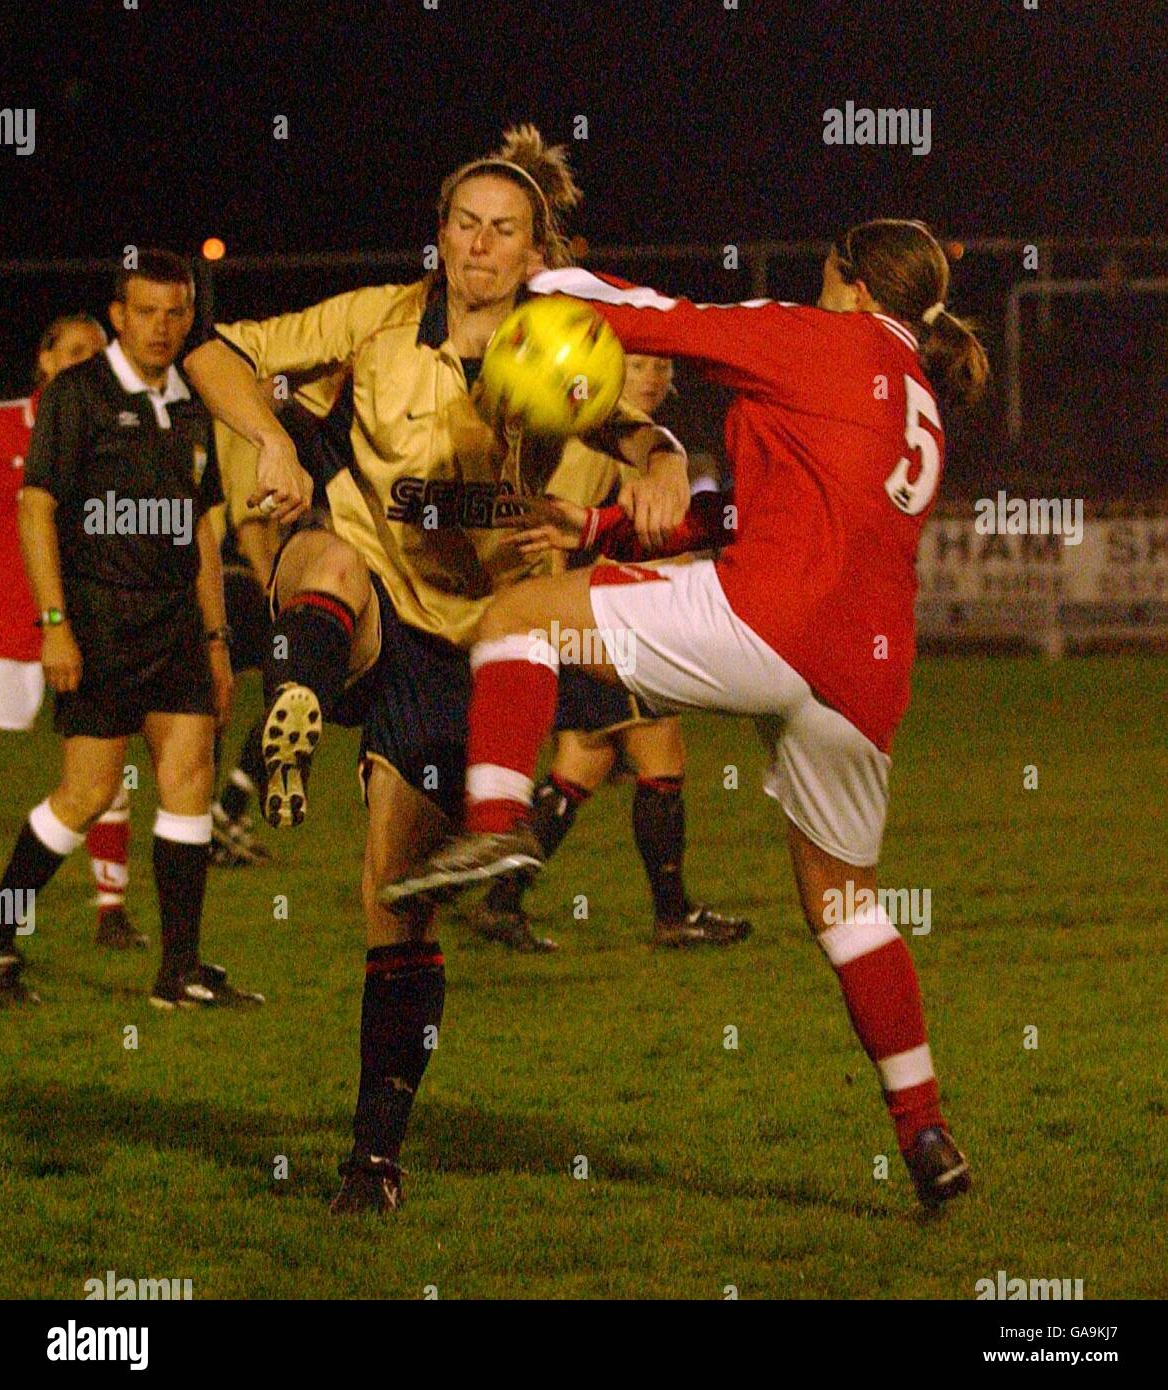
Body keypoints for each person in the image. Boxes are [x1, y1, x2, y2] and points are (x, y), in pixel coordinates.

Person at [382, 219, 990, 1209]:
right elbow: (768, 513)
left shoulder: (823, 336)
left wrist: (549, 278)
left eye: (823, 269)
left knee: (518, 617)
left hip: (767, 623)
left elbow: (659, 320)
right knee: (846, 905)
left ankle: (496, 828)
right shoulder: (915, 391)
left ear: (848, 280)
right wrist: (606, 525)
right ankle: (924, 1131)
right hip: (864, 679)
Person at [184, 125, 690, 1212]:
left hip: (484, 649)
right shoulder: (377, 317)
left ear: (534, 248)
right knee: (325, 547)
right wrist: (272, 441)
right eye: (464, 222)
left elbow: (643, 434)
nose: (478, 243)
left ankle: (374, 1151)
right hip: (377, 609)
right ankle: (303, 699)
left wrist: (664, 466)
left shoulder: (560, 346)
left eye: (503, 230)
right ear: (442, 233)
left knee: (394, 904)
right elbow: (212, 348)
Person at [0, 251, 263, 1010]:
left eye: (176, 313)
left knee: (188, 783)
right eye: (146, 312)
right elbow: (35, 509)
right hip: (100, 620)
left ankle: (179, 970)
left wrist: (216, 639)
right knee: (86, 793)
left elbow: (201, 529)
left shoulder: (192, 402)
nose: (161, 327)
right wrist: (55, 625)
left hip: (176, 624)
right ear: (118, 314)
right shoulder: (78, 395)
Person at [479, 353, 751, 950]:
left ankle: (499, 898)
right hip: (606, 631)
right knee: (661, 762)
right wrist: (551, 624)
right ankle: (672, 913)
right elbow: (549, 532)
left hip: (614, 628)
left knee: (582, 764)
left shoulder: (649, 458)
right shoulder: (592, 447)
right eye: (636, 366)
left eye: (661, 366)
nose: (653, 377)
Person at [0, 313, 146, 949]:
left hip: (81, 632)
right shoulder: (5, 423)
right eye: (75, 351)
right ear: (46, 358)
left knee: (103, 770)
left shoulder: (112, 434)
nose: (88, 363)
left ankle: (111, 908)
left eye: (97, 353)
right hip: (4, 633)